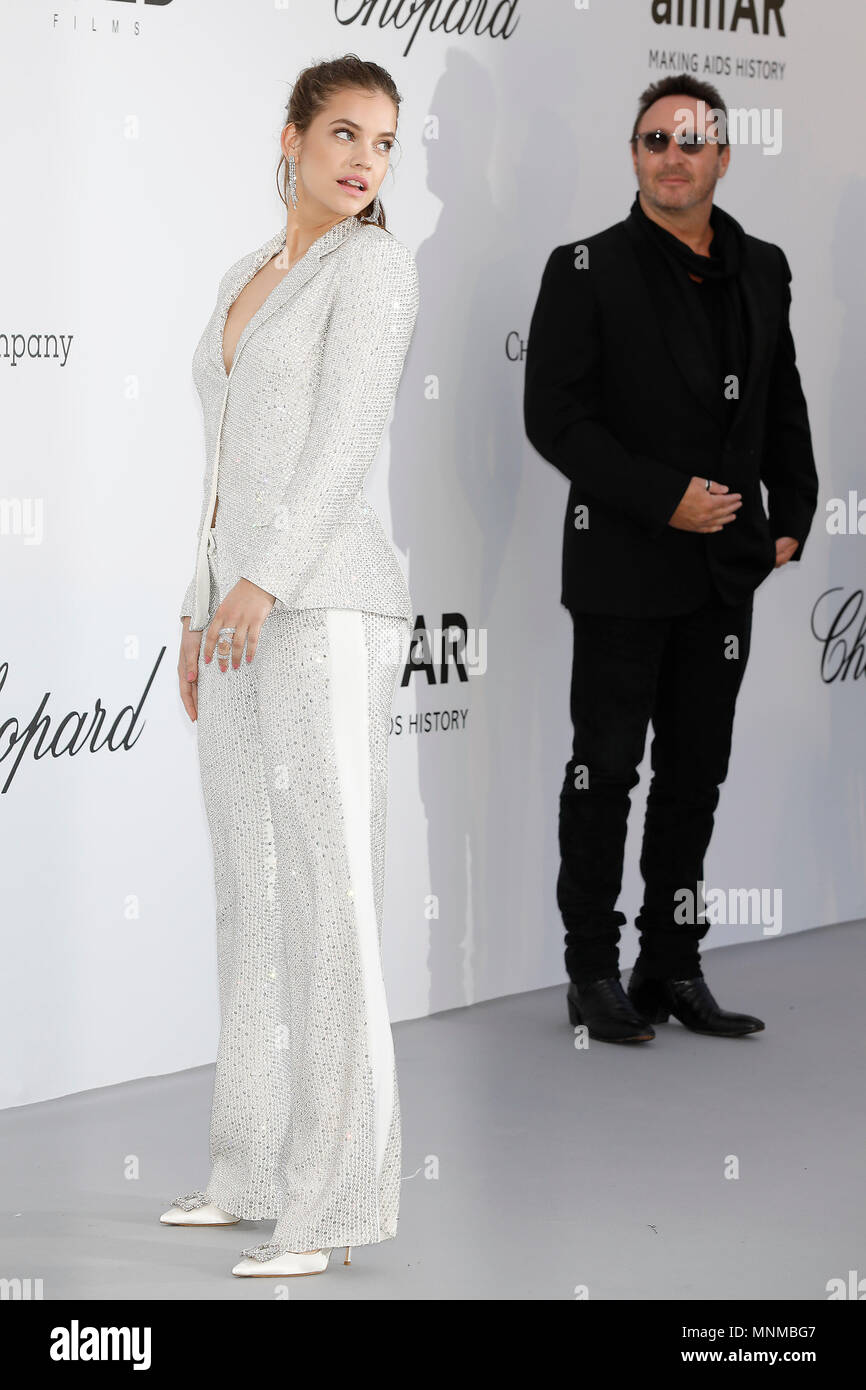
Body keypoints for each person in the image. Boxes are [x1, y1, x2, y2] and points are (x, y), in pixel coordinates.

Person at [161, 56, 419, 1276]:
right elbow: (220, 467)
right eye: (344, 135)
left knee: (335, 908)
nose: (364, 160)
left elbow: (345, 439)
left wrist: (264, 579)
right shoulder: (241, 275)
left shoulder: (371, 269)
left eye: (382, 143)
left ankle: (332, 1205)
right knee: (248, 893)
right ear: (292, 138)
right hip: (239, 612)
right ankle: (248, 1166)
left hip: (325, 609)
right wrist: (198, 606)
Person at [523, 75, 818, 1044]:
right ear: (634, 154)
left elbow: (779, 399)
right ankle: (589, 972)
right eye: (653, 140)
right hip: (620, 563)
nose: (671, 156)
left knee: (695, 772)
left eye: (691, 141)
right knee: (603, 770)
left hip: (722, 570)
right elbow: (554, 419)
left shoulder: (762, 267)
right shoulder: (583, 269)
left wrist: (794, 506)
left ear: (721, 156)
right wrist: (664, 498)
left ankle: (670, 962)